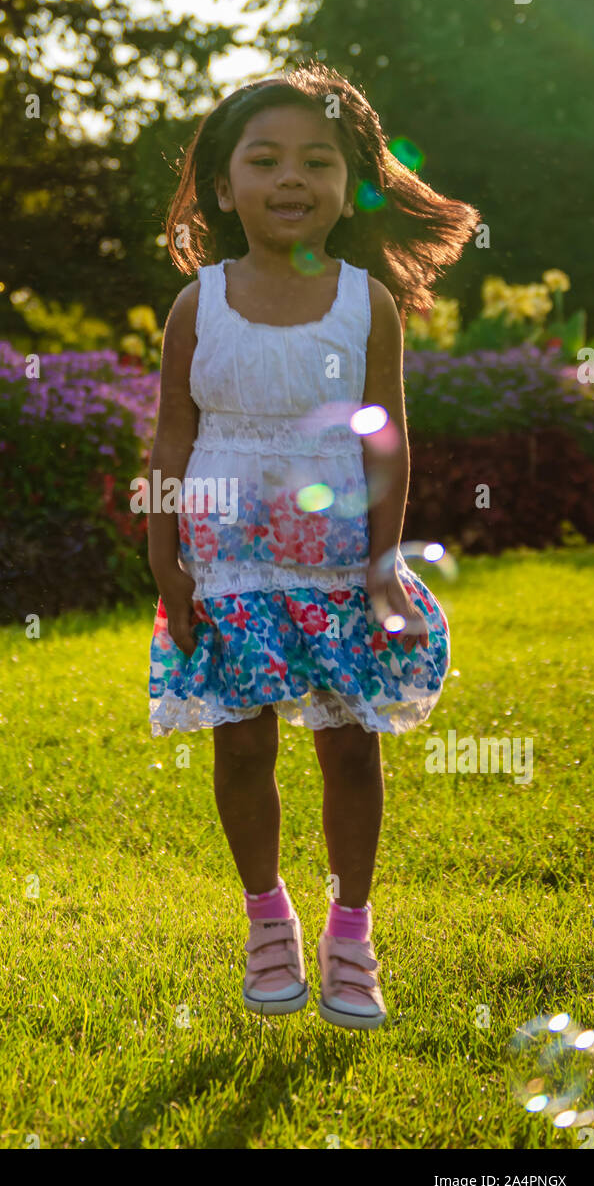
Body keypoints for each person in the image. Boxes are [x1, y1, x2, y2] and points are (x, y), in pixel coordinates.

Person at [146, 60, 480, 1030]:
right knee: (241, 745)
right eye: (265, 158)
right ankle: (266, 916)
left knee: (349, 750)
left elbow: (387, 437)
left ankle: (351, 928)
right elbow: (171, 434)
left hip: (335, 567)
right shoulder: (196, 305)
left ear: (350, 185)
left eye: (317, 161)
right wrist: (163, 552)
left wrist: (383, 567)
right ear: (223, 184)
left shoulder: (364, 303)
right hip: (228, 563)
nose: (290, 178)